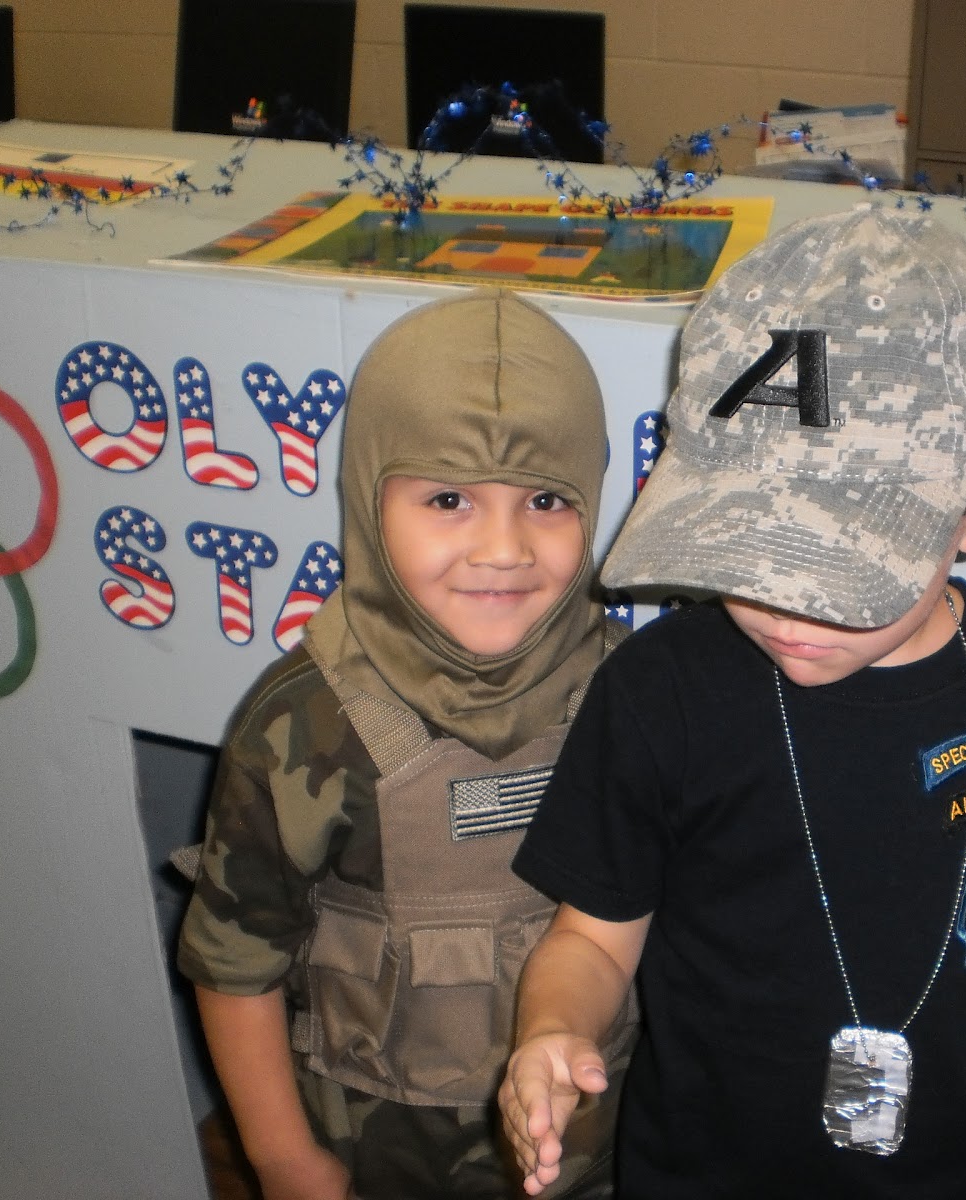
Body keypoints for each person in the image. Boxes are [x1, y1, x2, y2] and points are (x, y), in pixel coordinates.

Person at [498, 208, 966, 1199]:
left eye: (836, 566)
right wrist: (552, 1030)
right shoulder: (664, 690)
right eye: (745, 549)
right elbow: (591, 935)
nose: (784, 608)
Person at [178, 291, 634, 1200]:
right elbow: (236, 965)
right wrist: (283, 1159)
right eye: (449, 498)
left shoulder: (630, 698)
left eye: (546, 500)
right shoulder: (304, 726)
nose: (501, 549)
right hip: (375, 1158)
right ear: (368, 497)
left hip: (591, 1153)